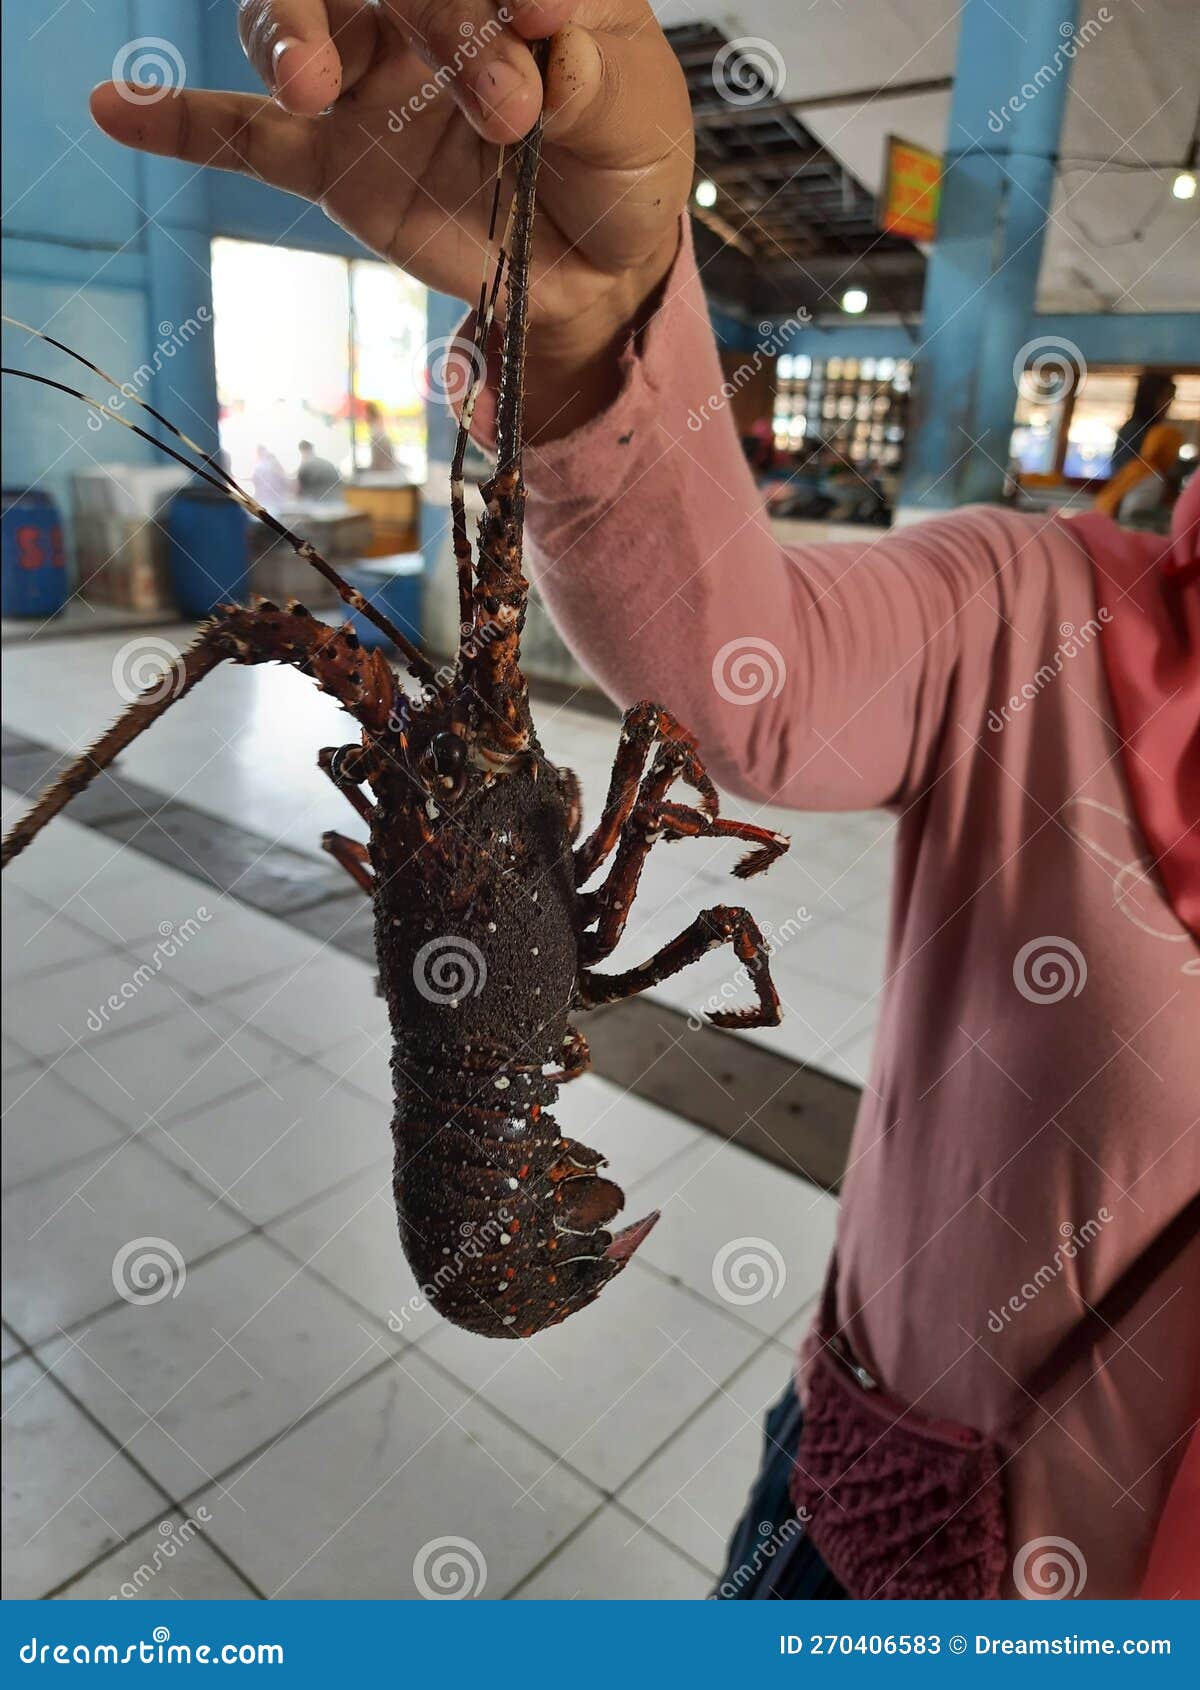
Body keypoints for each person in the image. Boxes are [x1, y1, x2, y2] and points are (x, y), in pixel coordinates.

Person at [90, 0, 1198, 1600]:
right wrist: (577, 334)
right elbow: (748, 682)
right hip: (893, 1517)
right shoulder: (1055, 610)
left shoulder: (458, 825)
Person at [1095, 371, 1183, 520]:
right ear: (1150, 398)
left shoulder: (1156, 478)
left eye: (1171, 399)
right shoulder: (1135, 431)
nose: (1168, 405)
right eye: (1164, 398)